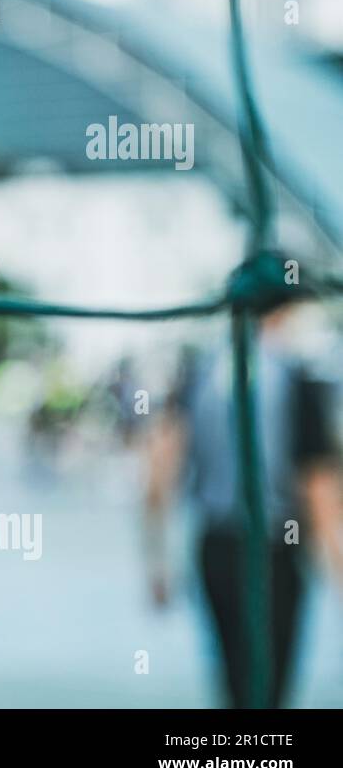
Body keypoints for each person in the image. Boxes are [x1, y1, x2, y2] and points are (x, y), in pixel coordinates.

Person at [146, 303, 343, 708]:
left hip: (215, 545)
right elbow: (319, 492)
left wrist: (157, 559)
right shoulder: (294, 376)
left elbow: (158, 476)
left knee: (234, 677)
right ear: (284, 313)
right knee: (270, 685)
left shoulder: (199, 371)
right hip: (275, 549)